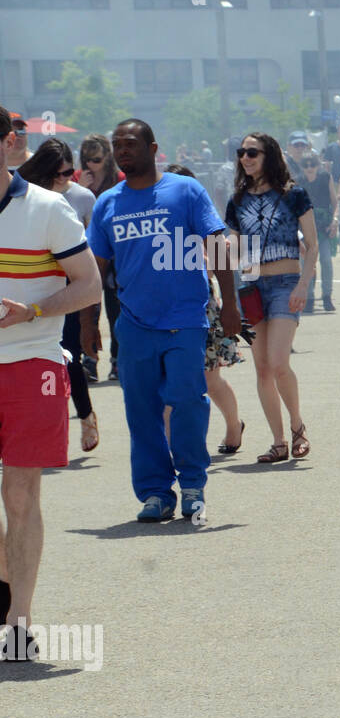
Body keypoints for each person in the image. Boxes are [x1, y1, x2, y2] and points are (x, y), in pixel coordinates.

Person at [87, 118, 240, 522]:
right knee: (141, 411)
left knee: (188, 402)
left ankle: (192, 485)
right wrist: (88, 324)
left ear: (153, 149)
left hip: (185, 319)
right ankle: (156, 493)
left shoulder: (185, 190)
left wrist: (230, 304)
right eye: (117, 144)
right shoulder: (107, 204)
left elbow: (218, 243)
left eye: (131, 143)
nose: (122, 150)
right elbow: (95, 270)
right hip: (134, 325)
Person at [0, 106, 102, 660]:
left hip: (30, 363)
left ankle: (20, 621)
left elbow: (88, 286)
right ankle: (7, 583)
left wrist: (34, 313)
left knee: (20, 494)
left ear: (7, 144)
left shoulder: (46, 207)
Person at [225, 132, 318, 463]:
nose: (245, 158)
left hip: (286, 284)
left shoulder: (294, 195)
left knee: (279, 363)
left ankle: (297, 427)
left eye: (253, 152)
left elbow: (313, 246)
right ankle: (278, 442)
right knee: (262, 368)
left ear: (270, 156)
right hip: (251, 287)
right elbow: (233, 251)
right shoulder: (236, 201)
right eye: (241, 152)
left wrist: (304, 285)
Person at [17, 138, 100, 452]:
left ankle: (85, 415)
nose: (63, 180)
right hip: (30, 287)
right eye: (58, 173)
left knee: (68, 357)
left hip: (70, 290)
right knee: (35, 358)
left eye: (68, 173)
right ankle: (47, 425)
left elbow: (93, 258)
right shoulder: (24, 196)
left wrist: (92, 312)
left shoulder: (81, 198)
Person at [167, 164, 245, 455]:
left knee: (210, 379)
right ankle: (174, 444)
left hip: (203, 307)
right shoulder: (163, 222)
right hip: (168, 310)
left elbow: (217, 265)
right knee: (169, 381)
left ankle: (234, 425)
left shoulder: (203, 222)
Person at [76, 135, 125, 383]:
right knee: (88, 310)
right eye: (86, 159)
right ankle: (90, 360)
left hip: (116, 255)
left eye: (96, 159)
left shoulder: (120, 180)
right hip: (85, 256)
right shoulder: (76, 180)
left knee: (117, 310)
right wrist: (81, 188)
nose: (91, 165)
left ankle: (117, 361)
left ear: (108, 157)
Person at [299, 152, 339, 312]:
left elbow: (335, 203)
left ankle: (327, 296)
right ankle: (309, 298)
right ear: (302, 167)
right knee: (307, 263)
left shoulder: (325, 177)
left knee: (326, 261)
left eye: (313, 165)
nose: (310, 168)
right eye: (306, 165)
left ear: (318, 165)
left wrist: (335, 221)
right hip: (304, 228)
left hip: (323, 227)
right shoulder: (297, 181)